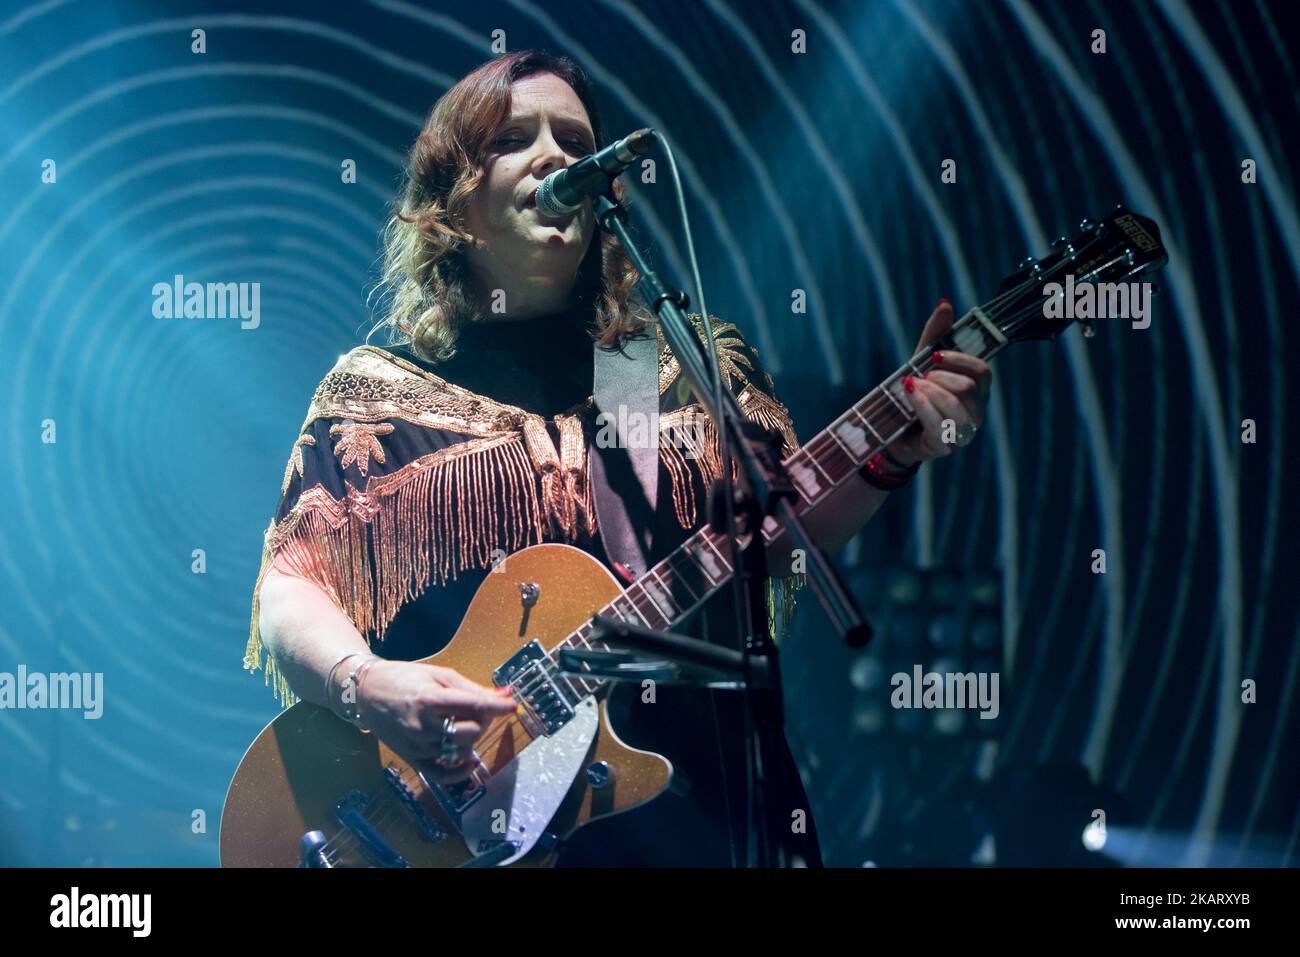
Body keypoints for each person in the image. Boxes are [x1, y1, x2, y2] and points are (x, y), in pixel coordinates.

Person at [242, 50, 991, 867]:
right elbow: (291, 585)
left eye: (574, 137)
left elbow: (781, 534)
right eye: (513, 137)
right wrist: (368, 685)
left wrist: (898, 452)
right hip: (456, 823)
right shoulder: (376, 391)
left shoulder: (670, 367)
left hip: (694, 811)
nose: (556, 155)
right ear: (451, 194)